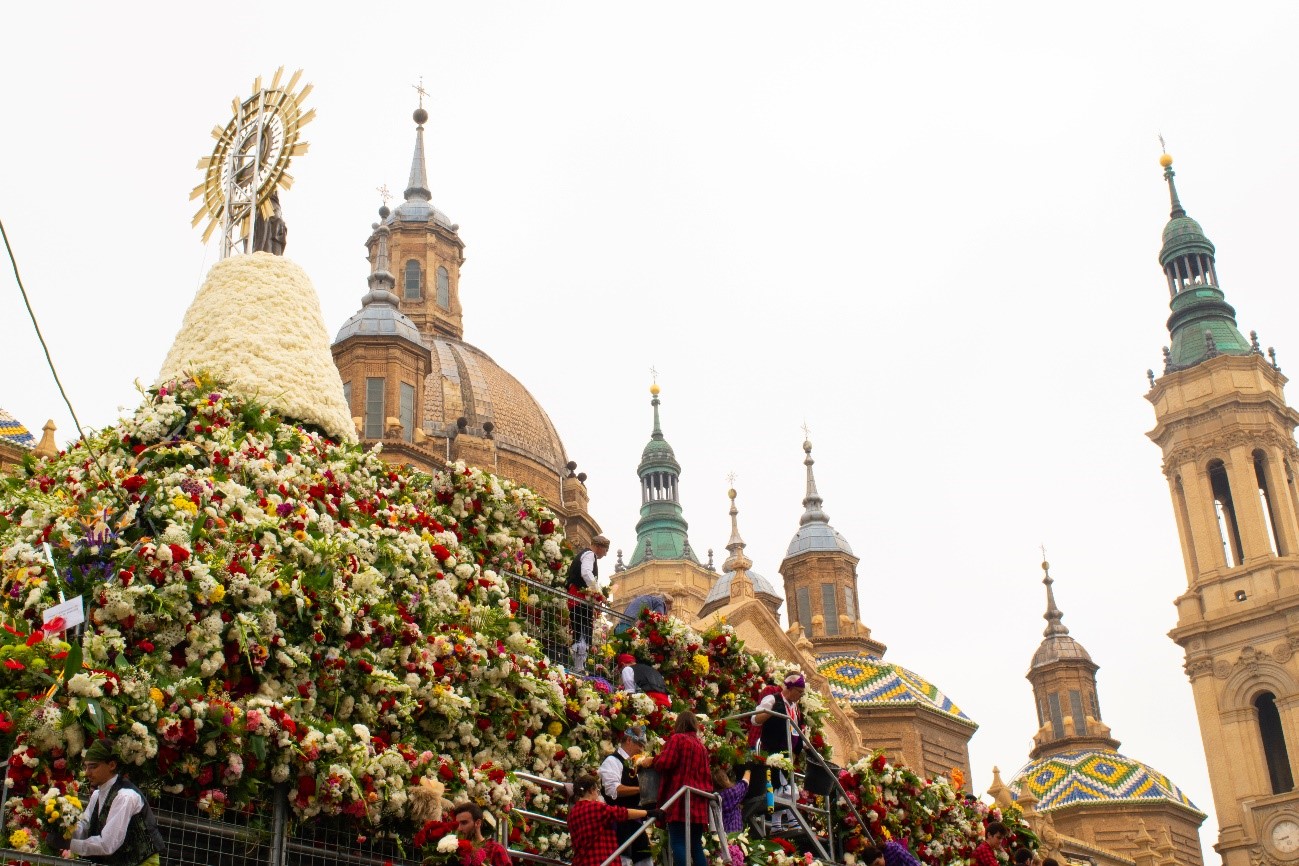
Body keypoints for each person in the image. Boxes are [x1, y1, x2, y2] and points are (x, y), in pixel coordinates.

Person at [68, 738, 166, 866]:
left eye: (93, 767)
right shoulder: (97, 795)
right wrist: (64, 828)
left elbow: (107, 844)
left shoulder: (125, 796)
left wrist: (69, 844)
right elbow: (84, 828)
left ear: (112, 765)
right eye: (85, 767)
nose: (87, 773)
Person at [639, 711, 712, 866]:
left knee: (678, 841)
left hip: (680, 798)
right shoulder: (702, 747)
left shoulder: (678, 739)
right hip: (698, 801)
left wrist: (654, 759)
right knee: (695, 845)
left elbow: (665, 763)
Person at [569, 773, 653, 866]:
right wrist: (647, 812)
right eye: (597, 791)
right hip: (601, 859)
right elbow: (622, 813)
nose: (597, 794)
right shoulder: (596, 807)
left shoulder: (572, 813)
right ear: (591, 790)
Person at [599, 728, 652, 866]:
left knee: (645, 859)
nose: (641, 749)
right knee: (623, 860)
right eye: (639, 745)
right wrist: (642, 789)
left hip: (636, 819)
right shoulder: (612, 760)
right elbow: (613, 790)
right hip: (619, 820)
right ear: (629, 740)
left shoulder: (636, 764)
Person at [566, 535, 610, 670]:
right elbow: (586, 573)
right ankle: (579, 667)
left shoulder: (584, 554)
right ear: (599, 547)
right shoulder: (590, 554)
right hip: (579, 598)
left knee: (580, 632)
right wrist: (598, 592)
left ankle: (580, 665)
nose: (606, 553)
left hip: (576, 598)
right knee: (582, 632)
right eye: (605, 550)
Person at [711, 763, 752, 833]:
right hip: (732, 834)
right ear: (725, 779)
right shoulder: (729, 793)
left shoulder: (714, 796)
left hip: (719, 835)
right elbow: (744, 783)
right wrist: (748, 770)